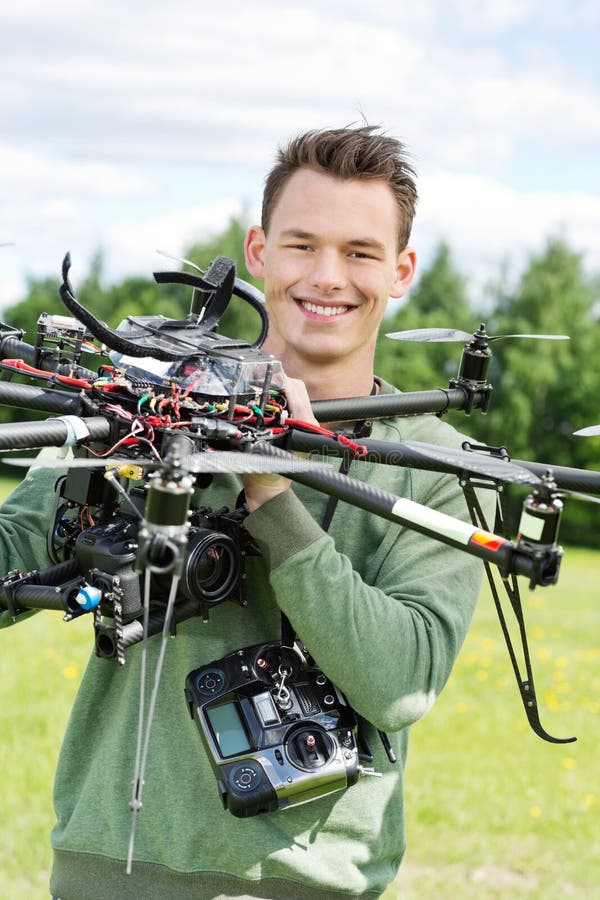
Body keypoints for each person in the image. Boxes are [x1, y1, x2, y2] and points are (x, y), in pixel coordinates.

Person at [0, 125, 492, 899]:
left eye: (360, 253)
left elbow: (398, 683)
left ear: (400, 272)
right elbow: (13, 560)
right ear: (258, 254)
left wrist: (273, 490)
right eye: (302, 245)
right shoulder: (150, 411)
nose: (327, 276)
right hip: (104, 875)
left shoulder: (437, 466)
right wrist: (106, 464)